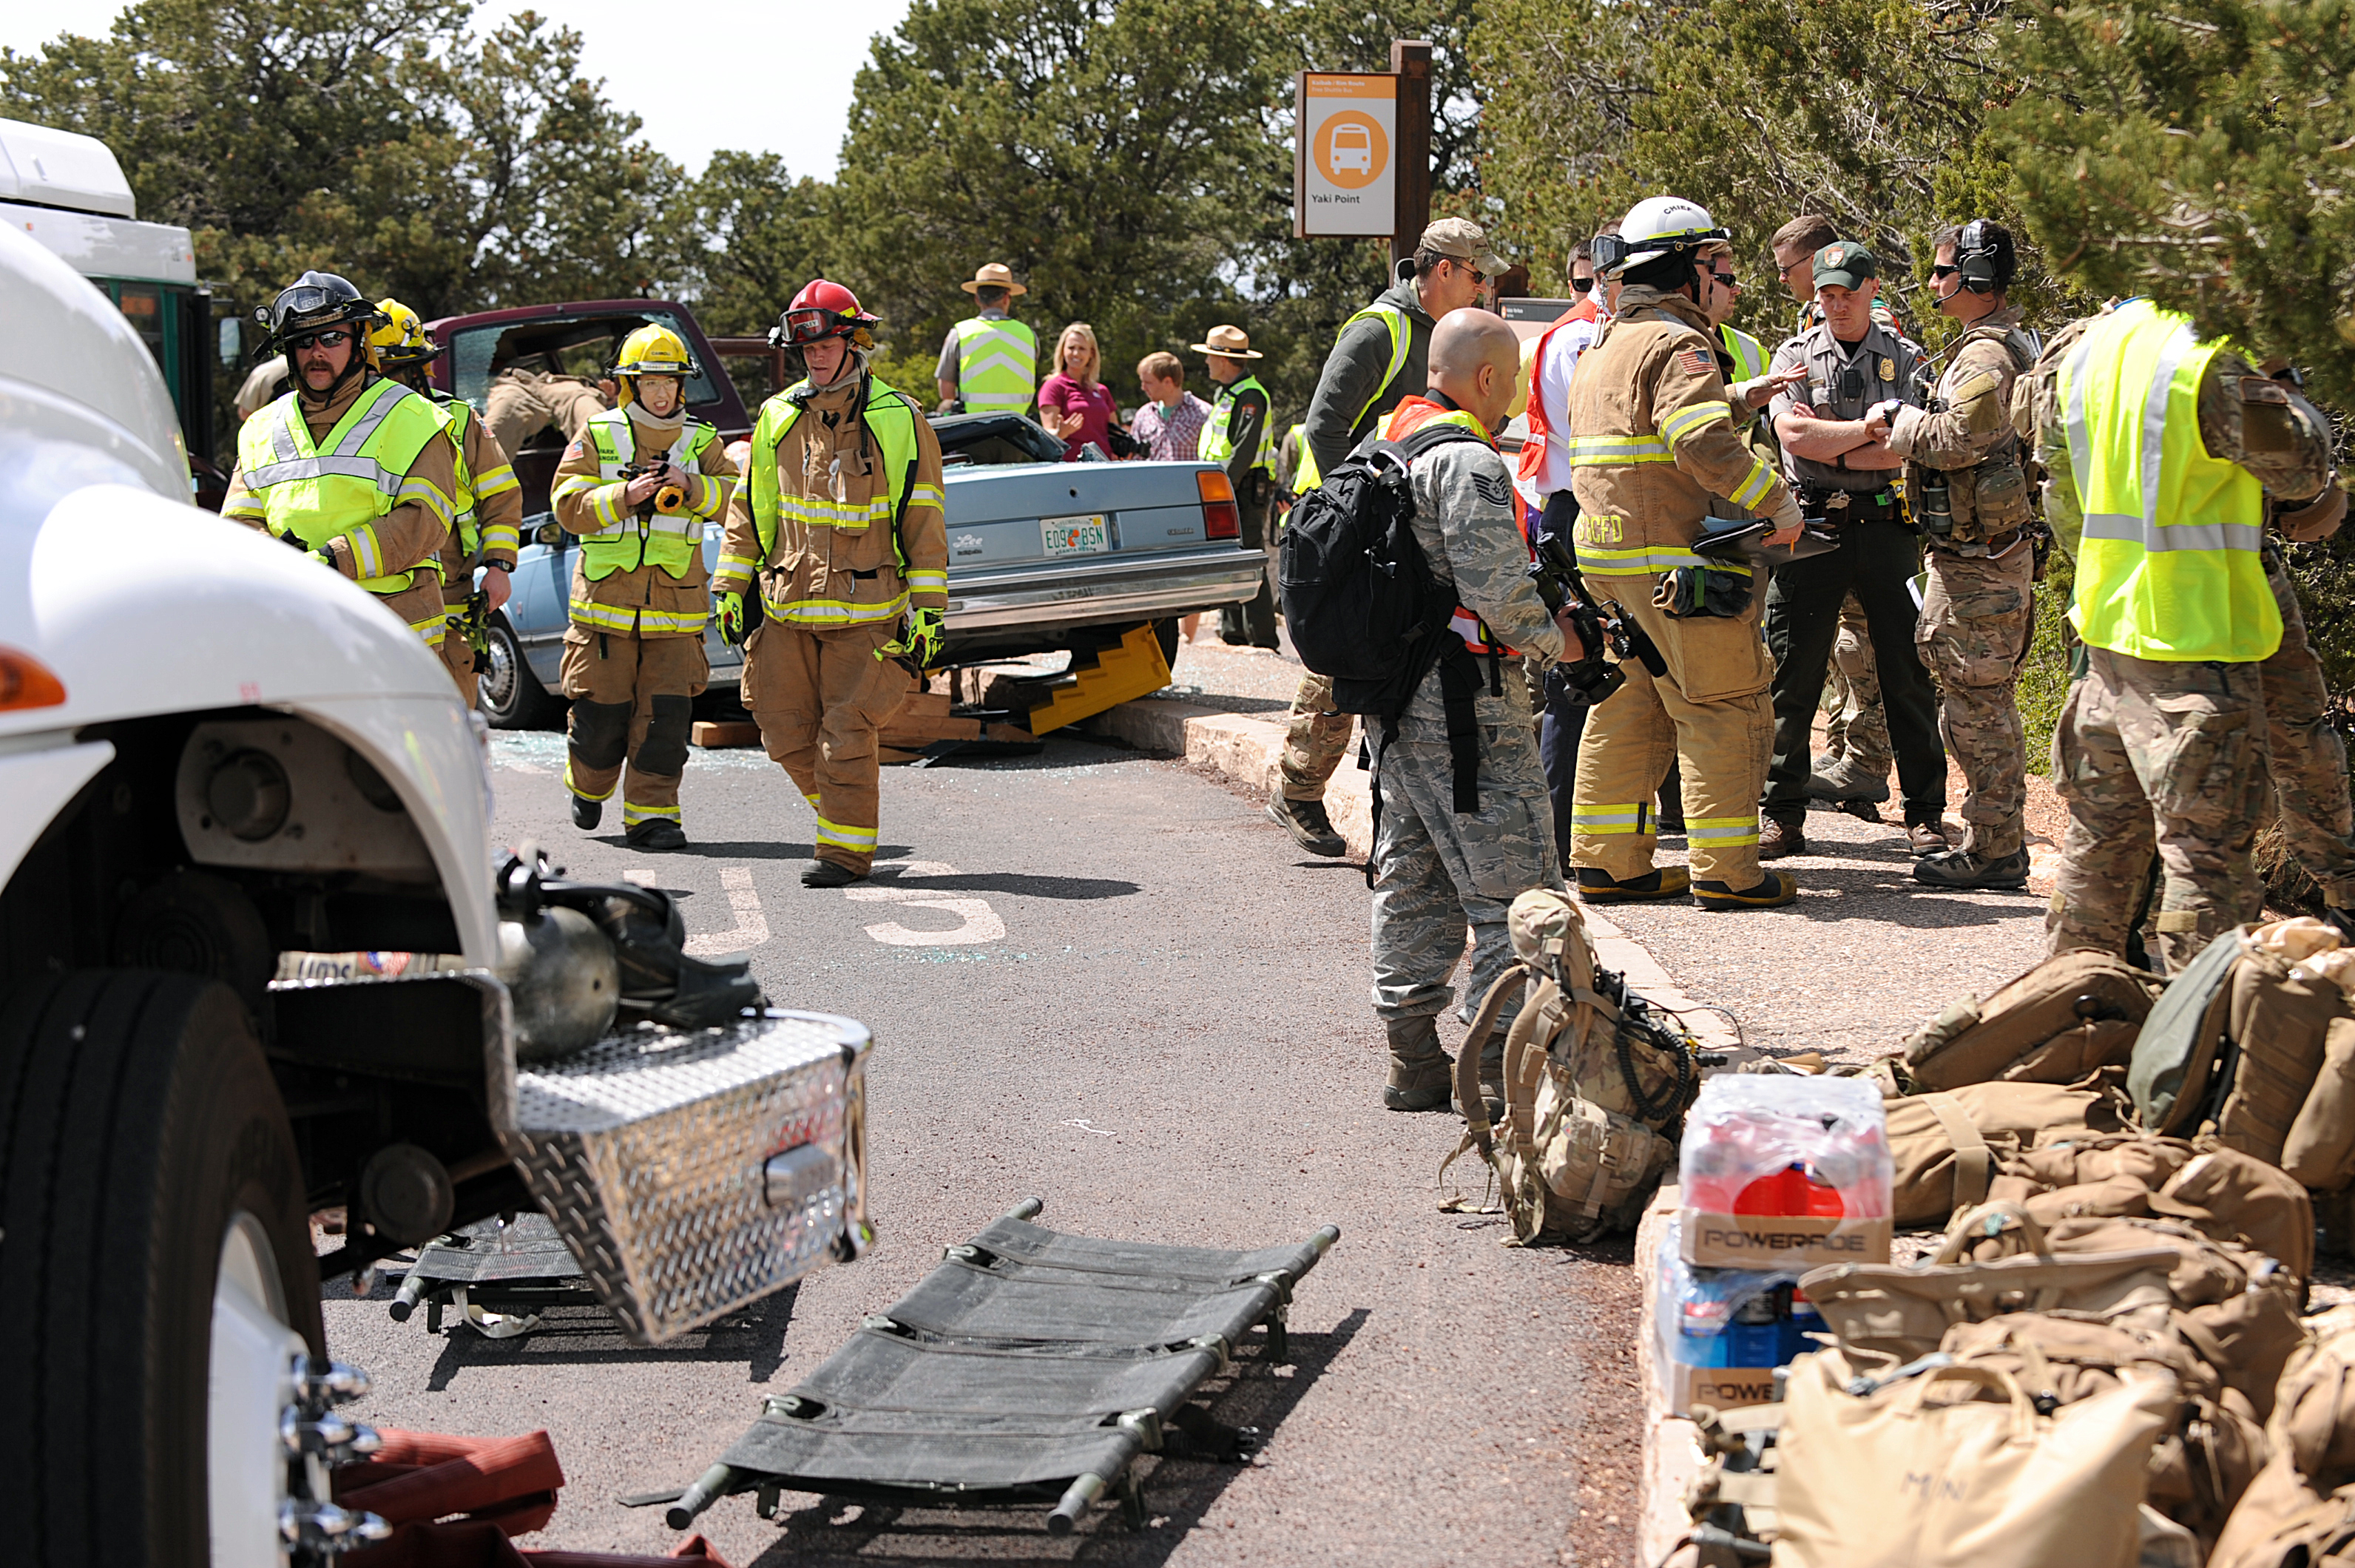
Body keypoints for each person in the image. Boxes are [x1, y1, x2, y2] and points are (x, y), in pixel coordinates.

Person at [2020, 300, 2335, 970]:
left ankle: (2067, 1019)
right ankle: (2196, 1055)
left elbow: (2063, 492)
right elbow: (2304, 467)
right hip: (2195, 646)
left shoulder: (2094, 346)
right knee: (2208, 866)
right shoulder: (2209, 360)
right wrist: (2281, 375)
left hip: (2107, 638)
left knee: (2098, 858)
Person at [1564, 197, 1807, 912]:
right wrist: (1777, 504)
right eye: (1716, 263)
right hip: (1678, 564)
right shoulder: (1680, 345)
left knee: (1632, 704)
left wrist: (1734, 395)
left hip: (1607, 562)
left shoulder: (1607, 344)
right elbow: (1697, 444)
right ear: (1680, 267)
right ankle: (1729, 873)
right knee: (1724, 705)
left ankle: (1609, 864)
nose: (1724, 276)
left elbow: (1647, 427)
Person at [1365, 309, 1581, 1112]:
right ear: (1487, 378)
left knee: (1413, 873)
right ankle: (1494, 1063)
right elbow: (1495, 590)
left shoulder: (1383, 442)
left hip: (1393, 703)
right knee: (1513, 887)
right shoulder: (1467, 460)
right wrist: (1558, 641)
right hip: (1467, 707)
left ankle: (1412, 1056)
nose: (1517, 395)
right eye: (1514, 380)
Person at [1272, 216, 1505, 857]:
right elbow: (1325, 426)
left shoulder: (1452, 334)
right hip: (1367, 530)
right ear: (1441, 271)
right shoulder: (1381, 330)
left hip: (1425, 523)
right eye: (1477, 275)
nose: (1484, 288)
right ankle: (1298, 789)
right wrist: (1360, 508)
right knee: (1349, 658)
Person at [713, 280, 948, 888]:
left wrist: (929, 610)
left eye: (828, 344)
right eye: (806, 347)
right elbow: (750, 509)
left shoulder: (899, 418)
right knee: (783, 730)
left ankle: (844, 855)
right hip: (787, 608)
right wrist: (729, 586)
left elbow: (922, 518)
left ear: (854, 341)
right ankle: (846, 818)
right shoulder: (776, 417)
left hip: (866, 611)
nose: (816, 356)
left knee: (845, 735)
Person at [1760, 240, 1950, 859]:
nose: (1837, 306)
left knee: (1908, 673)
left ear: (1872, 290)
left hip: (1884, 527)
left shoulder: (1908, 359)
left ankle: (1924, 812)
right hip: (1811, 528)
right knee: (1793, 674)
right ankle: (1782, 813)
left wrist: (1831, 441)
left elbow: (1905, 449)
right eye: (1827, 295)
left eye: (1848, 293)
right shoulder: (1793, 357)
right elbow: (1792, 434)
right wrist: (1866, 431)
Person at [1873, 223, 2043, 891]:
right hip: (1980, 556)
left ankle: (1996, 848)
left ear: (1975, 278)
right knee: (1976, 703)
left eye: (1944, 271)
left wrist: (1899, 423)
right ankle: (1994, 840)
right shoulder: (1986, 348)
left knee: (1977, 708)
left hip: (1981, 564)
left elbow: (1957, 440)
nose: (1934, 282)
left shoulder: (1986, 359)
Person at [548, 324, 740, 851]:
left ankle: (654, 818)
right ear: (630, 385)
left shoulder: (702, 442)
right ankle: (587, 787)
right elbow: (567, 505)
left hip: (675, 615)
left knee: (665, 724)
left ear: (683, 386)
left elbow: (739, 502)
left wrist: (692, 485)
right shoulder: (597, 434)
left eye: (670, 381)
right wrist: (624, 495)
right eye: (650, 381)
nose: (661, 392)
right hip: (605, 612)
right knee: (599, 721)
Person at [223, 271, 458, 656]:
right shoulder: (259, 428)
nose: (317, 352)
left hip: (392, 635)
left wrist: (333, 561)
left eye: (332, 338)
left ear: (359, 342)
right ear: (288, 351)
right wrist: (279, 563)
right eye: (303, 341)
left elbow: (426, 520)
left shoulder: (412, 416)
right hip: (294, 632)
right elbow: (238, 523)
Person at [1771, 214, 1894, 808]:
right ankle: (1843, 753)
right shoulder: (1803, 335)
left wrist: (1830, 443)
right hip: (1817, 513)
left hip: (1874, 516)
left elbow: (1897, 436)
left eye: (1790, 270)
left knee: (1867, 648)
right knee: (1814, 654)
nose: (1785, 282)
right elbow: (1794, 431)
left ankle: (1866, 762)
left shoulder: (1881, 331)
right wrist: (1848, 438)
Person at [370, 298, 523, 709]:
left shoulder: (458, 420)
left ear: (421, 369)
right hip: (375, 597)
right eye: (378, 373)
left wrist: (499, 565)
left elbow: (500, 494)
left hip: (450, 600)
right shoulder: (352, 429)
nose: (387, 384)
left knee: (452, 724)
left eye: (395, 373)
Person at [1195, 324, 1279, 648]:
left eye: (1210, 357)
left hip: (1241, 489)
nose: (1207, 363)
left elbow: (1244, 450)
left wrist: (1223, 487)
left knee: (1248, 557)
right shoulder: (1228, 394)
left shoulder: (1250, 395)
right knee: (1229, 558)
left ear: (1225, 361)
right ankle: (1233, 632)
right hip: (1226, 487)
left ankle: (1262, 638)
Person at [484, 331, 612, 459]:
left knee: (587, 409)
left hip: (560, 384)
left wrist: (611, 400)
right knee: (504, 412)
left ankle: (612, 466)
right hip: (515, 383)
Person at [936, 262, 1038, 415]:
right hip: (1017, 426)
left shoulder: (960, 333)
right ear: (1006, 298)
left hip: (972, 426)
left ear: (977, 299)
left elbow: (946, 391)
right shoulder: (1028, 334)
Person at [1038, 322, 1124, 461]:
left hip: (1104, 466)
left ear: (1092, 353)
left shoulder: (1101, 391)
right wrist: (1061, 433)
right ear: (1062, 351)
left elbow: (1115, 433)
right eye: (1071, 348)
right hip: (1071, 468)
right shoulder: (1053, 386)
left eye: (1082, 348)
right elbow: (1046, 436)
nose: (1076, 353)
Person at [1131, 351, 1211, 462]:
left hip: (1187, 479)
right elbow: (1135, 459)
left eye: (1148, 383)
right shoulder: (1144, 415)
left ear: (1168, 382)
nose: (1143, 388)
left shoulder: (1203, 414)